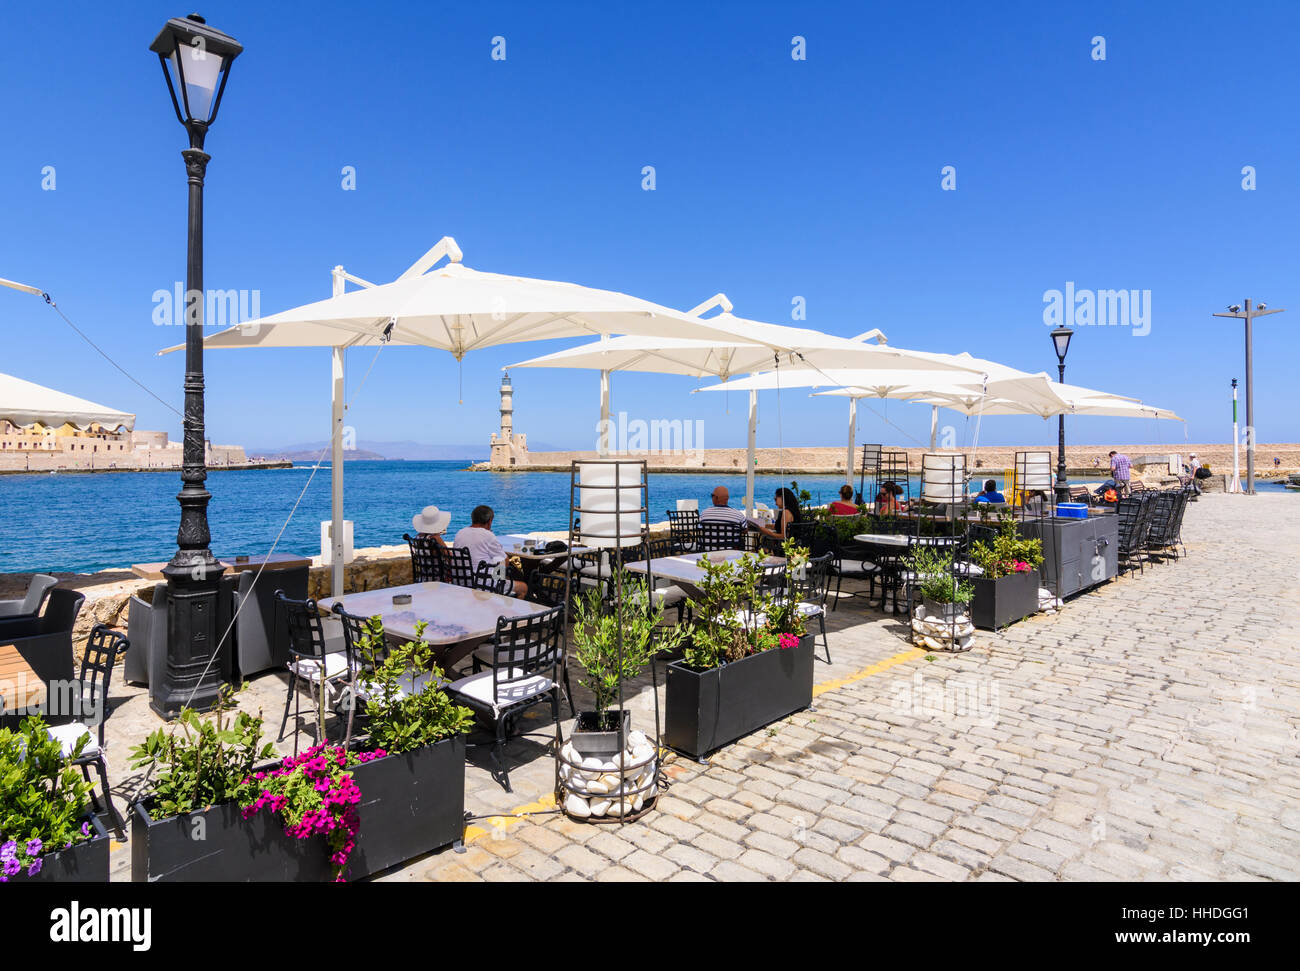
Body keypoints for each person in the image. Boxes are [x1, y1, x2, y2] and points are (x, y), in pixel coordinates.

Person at [450, 504, 528, 599]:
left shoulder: (460, 533)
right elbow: (505, 560)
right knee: (523, 587)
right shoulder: (487, 535)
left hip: (461, 582)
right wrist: (500, 578)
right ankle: (515, 613)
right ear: (490, 521)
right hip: (482, 585)